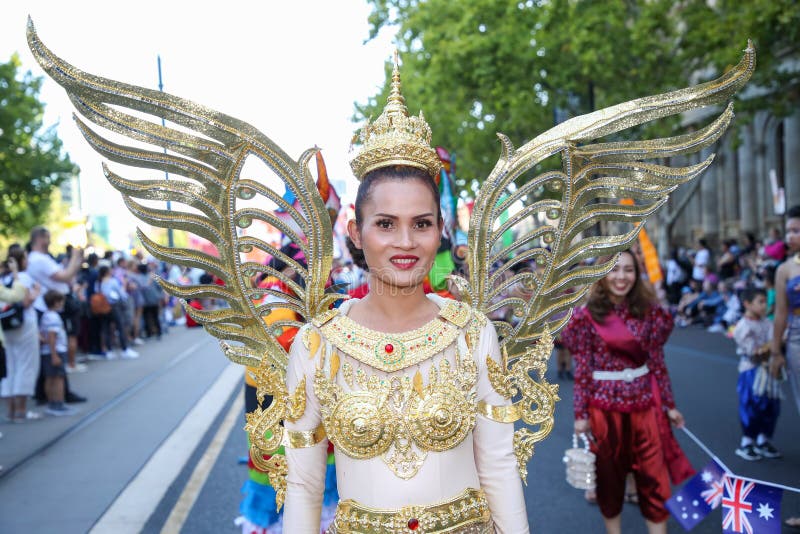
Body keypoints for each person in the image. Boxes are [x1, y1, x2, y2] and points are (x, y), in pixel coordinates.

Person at [561, 249, 692, 534]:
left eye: (628, 270)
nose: (621, 277)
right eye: (614, 269)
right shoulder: (586, 316)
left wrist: (669, 405)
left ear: (637, 273)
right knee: (609, 480)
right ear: (602, 273)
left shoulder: (650, 313)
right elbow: (583, 370)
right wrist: (580, 414)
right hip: (604, 412)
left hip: (646, 408)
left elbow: (657, 362)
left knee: (654, 478)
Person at [26, 227, 87, 403]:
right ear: (39, 238)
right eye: (48, 238)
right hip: (47, 309)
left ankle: (51, 394)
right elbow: (65, 276)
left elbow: (67, 276)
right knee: (54, 352)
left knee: (51, 352)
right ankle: (55, 397)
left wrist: (76, 260)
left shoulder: (41, 259)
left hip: (50, 308)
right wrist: (75, 257)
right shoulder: (39, 260)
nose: (50, 241)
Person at [771, 205, 800, 529]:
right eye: (789, 230)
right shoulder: (785, 270)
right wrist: (776, 351)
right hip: (797, 343)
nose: (791, 236)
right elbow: (780, 312)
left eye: (797, 230)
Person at [732, 287, 782, 461]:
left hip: (768, 370)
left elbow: (773, 342)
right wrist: (774, 344)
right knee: (751, 405)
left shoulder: (767, 323)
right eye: (760, 302)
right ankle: (747, 441)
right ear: (747, 304)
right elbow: (755, 352)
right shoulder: (742, 326)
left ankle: (763, 439)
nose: (764, 306)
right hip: (751, 370)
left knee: (771, 406)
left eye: (765, 302)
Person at [1, 246, 42, 422]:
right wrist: (35, 294)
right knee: (26, 365)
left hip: (6, 328)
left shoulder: (3, 278)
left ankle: (11, 411)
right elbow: (23, 301)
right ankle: (21, 410)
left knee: (10, 367)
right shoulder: (23, 277)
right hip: (24, 325)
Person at [39, 290, 76, 416]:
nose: (62, 304)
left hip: (47, 351)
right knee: (59, 378)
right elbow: (52, 336)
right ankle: (58, 403)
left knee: (50, 378)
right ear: (56, 303)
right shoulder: (53, 317)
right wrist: (54, 355)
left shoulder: (46, 315)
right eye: (61, 302)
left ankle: (52, 403)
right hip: (56, 351)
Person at [98, 265, 139, 359]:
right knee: (120, 327)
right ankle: (125, 349)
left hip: (103, 307)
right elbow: (119, 293)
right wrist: (123, 298)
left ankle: (109, 350)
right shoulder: (112, 281)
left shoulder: (100, 282)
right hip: (113, 306)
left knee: (106, 328)